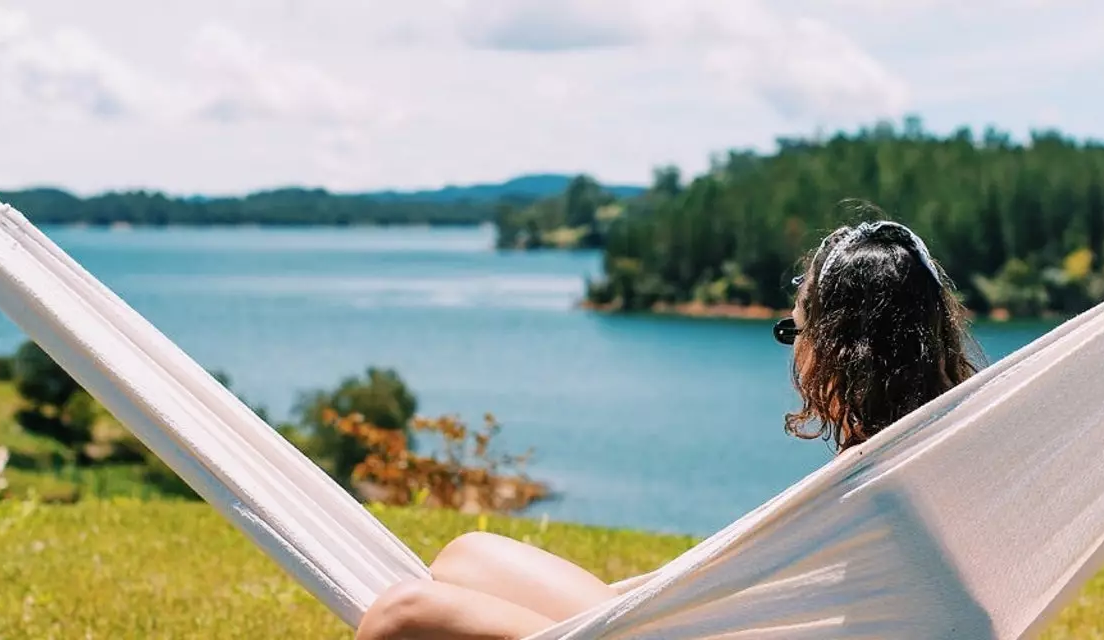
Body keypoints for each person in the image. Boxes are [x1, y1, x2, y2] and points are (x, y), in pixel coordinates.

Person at [355, 211, 982, 640]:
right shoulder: (935, 455)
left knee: (402, 615)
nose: (794, 352)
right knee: (468, 555)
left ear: (839, 350)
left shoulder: (873, 485)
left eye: (795, 331)